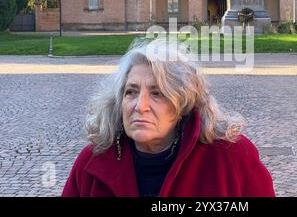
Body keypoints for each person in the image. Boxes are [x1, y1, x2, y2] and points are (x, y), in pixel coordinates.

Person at [62, 39, 275, 197]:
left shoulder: (232, 157)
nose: (140, 106)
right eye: (131, 92)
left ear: (183, 104)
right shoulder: (92, 162)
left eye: (158, 93)